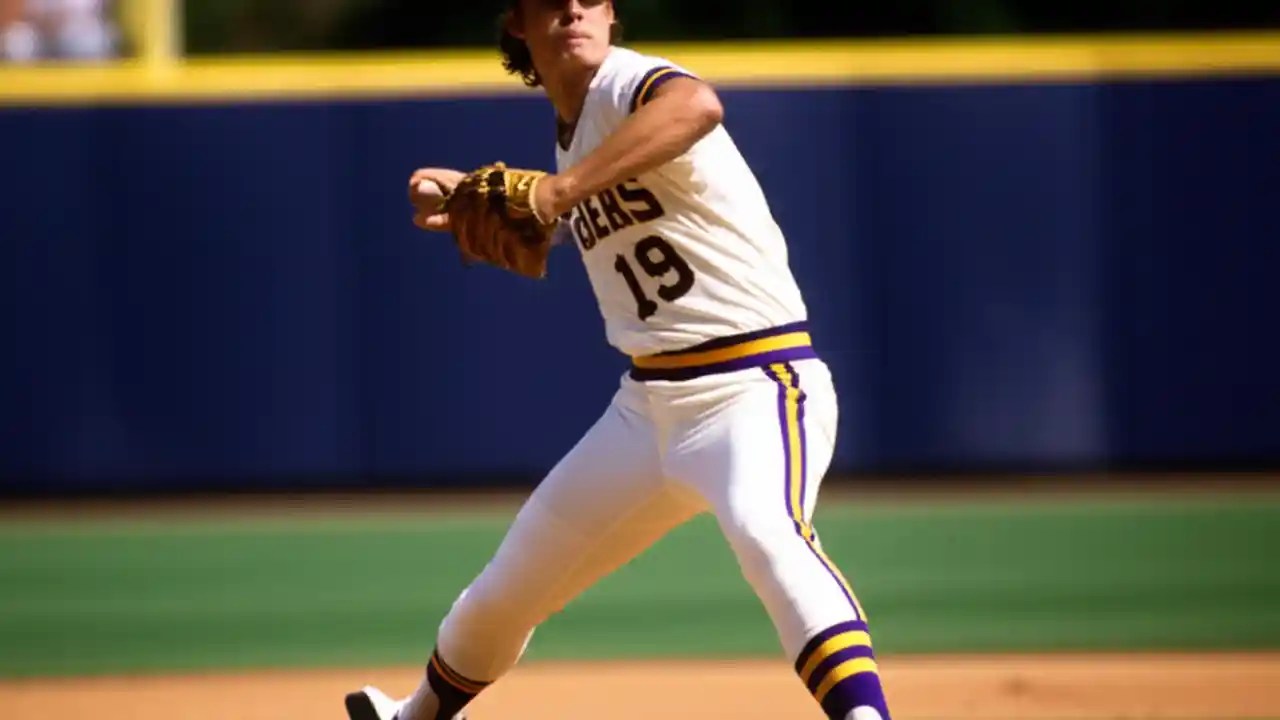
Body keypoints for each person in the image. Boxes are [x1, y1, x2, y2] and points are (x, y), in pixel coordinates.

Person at [346, 1, 894, 719]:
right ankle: (414, 716)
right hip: (647, 409)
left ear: (609, 14)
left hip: (755, 387)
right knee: (510, 585)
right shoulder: (574, 138)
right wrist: (495, 198)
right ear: (517, 22)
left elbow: (697, 104)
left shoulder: (625, 84)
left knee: (769, 534)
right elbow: (588, 212)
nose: (574, 6)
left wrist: (554, 194)